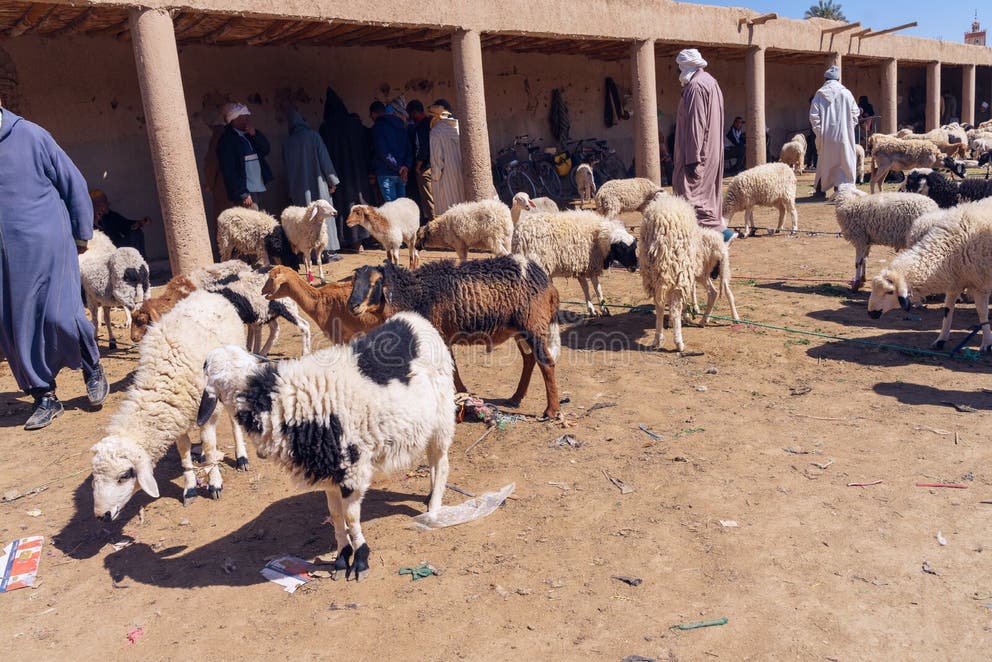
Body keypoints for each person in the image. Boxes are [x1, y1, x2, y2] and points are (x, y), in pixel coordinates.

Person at [0, 103, 108, 430]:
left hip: (49, 241)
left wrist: (82, 231)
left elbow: (72, 181)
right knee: (17, 327)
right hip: (6, 256)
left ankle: (91, 366)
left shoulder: (31, 135)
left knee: (61, 314)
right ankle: (44, 395)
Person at [672, 49, 734, 242]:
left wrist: (692, 158)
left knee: (692, 199)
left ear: (686, 66)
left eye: (679, 68)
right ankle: (707, 245)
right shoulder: (711, 82)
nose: (677, 72)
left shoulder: (696, 86)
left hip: (697, 155)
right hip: (710, 152)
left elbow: (695, 125)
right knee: (706, 198)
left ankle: (723, 235)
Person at [283, 107, 341, 263]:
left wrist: (290, 190)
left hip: (297, 188)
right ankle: (327, 252)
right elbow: (324, 160)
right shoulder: (313, 136)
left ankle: (309, 255)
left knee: (305, 221)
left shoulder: (288, 142)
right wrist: (332, 181)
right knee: (324, 216)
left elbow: (287, 169)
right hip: (318, 184)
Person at [319, 87, 372, 249]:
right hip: (358, 173)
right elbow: (366, 145)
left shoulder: (326, 129)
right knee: (360, 203)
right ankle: (365, 239)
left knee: (343, 207)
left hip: (339, 174)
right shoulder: (354, 124)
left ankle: (350, 242)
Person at [809, 65, 859, 198]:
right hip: (844, 136)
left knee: (824, 163)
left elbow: (814, 116)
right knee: (843, 163)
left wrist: (820, 132)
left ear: (825, 78)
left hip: (827, 136)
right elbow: (855, 113)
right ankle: (840, 190)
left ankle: (820, 190)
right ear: (838, 78)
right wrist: (847, 127)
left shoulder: (819, 94)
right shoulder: (846, 93)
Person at [217, 102, 273, 211]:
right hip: (246, 191)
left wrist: (255, 135)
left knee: (262, 220)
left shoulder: (249, 135)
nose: (248, 121)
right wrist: (242, 192)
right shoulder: (227, 141)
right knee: (252, 223)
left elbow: (266, 149)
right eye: (245, 118)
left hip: (257, 187)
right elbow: (229, 170)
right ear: (234, 120)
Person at [368, 101, 411, 202]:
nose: (370, 117)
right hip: (401, 173)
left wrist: (398, 167)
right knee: (402, 206)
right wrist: (405, 167)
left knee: (392, 209)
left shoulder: (378, 127)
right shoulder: (401, 125)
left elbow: (383, 152)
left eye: (371, 114)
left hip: (386, 173)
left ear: (374, 113)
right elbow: (408, 148)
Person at [428, 99, 465, 215]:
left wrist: (435, 177)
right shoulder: (460, 127)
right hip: (464, 174)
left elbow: (437, 160)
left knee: (450, 212)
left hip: (446, 177)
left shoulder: (436, 131)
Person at [90, 189, 149, 256]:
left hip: (116, 248)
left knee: (136, 233)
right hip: (100, 253)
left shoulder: (110, 216)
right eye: (101, 204)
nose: (106, 206)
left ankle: (141, 263)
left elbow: (125, 225)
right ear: (93, 205)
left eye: (106, 203)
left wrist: (139, 223)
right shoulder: (85, 220)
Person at [202, 111, 228, 259]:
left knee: (223, 220)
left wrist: (210, 183)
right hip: (231, 186)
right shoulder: (232, 135)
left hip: (222, 187)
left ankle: (225, 256)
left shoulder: (218, 137)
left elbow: (211, 163)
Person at [407, 99, 434, 222]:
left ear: (415, 112)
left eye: (411, 114)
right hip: (436, 166)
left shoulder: (420, 127)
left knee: (429, 200)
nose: (410, 117)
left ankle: (435, 227)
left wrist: (418, 166)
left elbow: (422, 148)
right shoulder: (432, 123)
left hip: (425, 168)